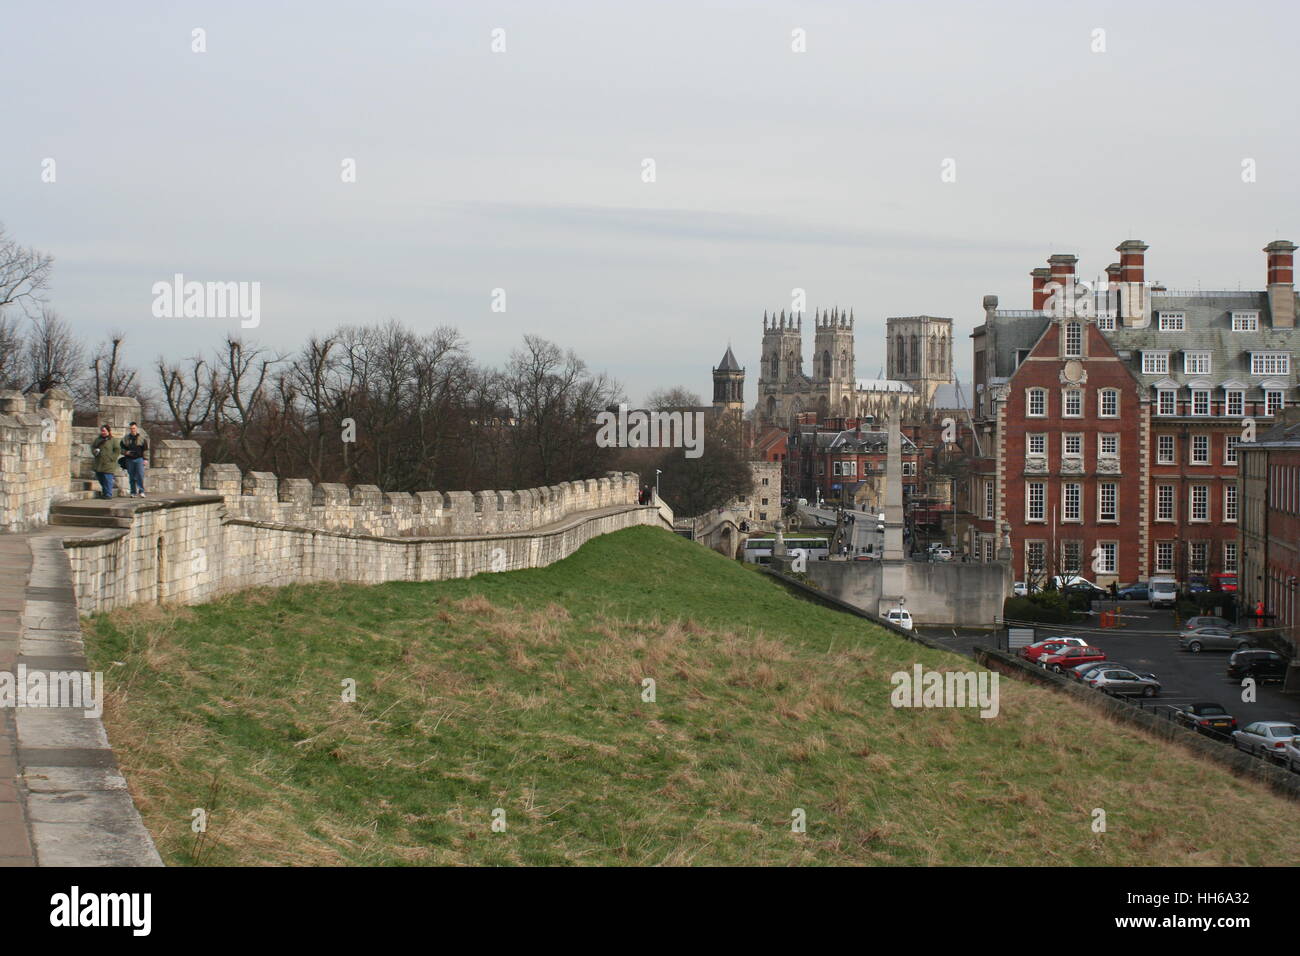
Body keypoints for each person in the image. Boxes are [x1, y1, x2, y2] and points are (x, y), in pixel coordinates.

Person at [90, 425, 122, 499]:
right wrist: (94, 451)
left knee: (108, 479)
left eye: (104, 431)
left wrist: (112, 458)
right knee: (100, 478)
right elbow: (93, 447)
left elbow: (117, 450)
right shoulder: (98, 439)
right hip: (99, 463)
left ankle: (108, 494)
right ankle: (105, 492)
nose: (103, 432)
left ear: (108, 431)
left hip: (109, 463)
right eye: (102, 431)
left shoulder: (113, 440)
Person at [121, 421, 149, 498]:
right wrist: (126, 452)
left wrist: (145, 459)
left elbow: (145, 450)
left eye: (134, 428)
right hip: (129, 459)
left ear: (136, 428)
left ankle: (141, 491)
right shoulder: (125, 439)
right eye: (131, 428)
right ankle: (133, 492)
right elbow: (121, 449)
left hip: (139, 459)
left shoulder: (142, 438)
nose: (132, 430)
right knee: (132, 476)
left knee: (140, 475)